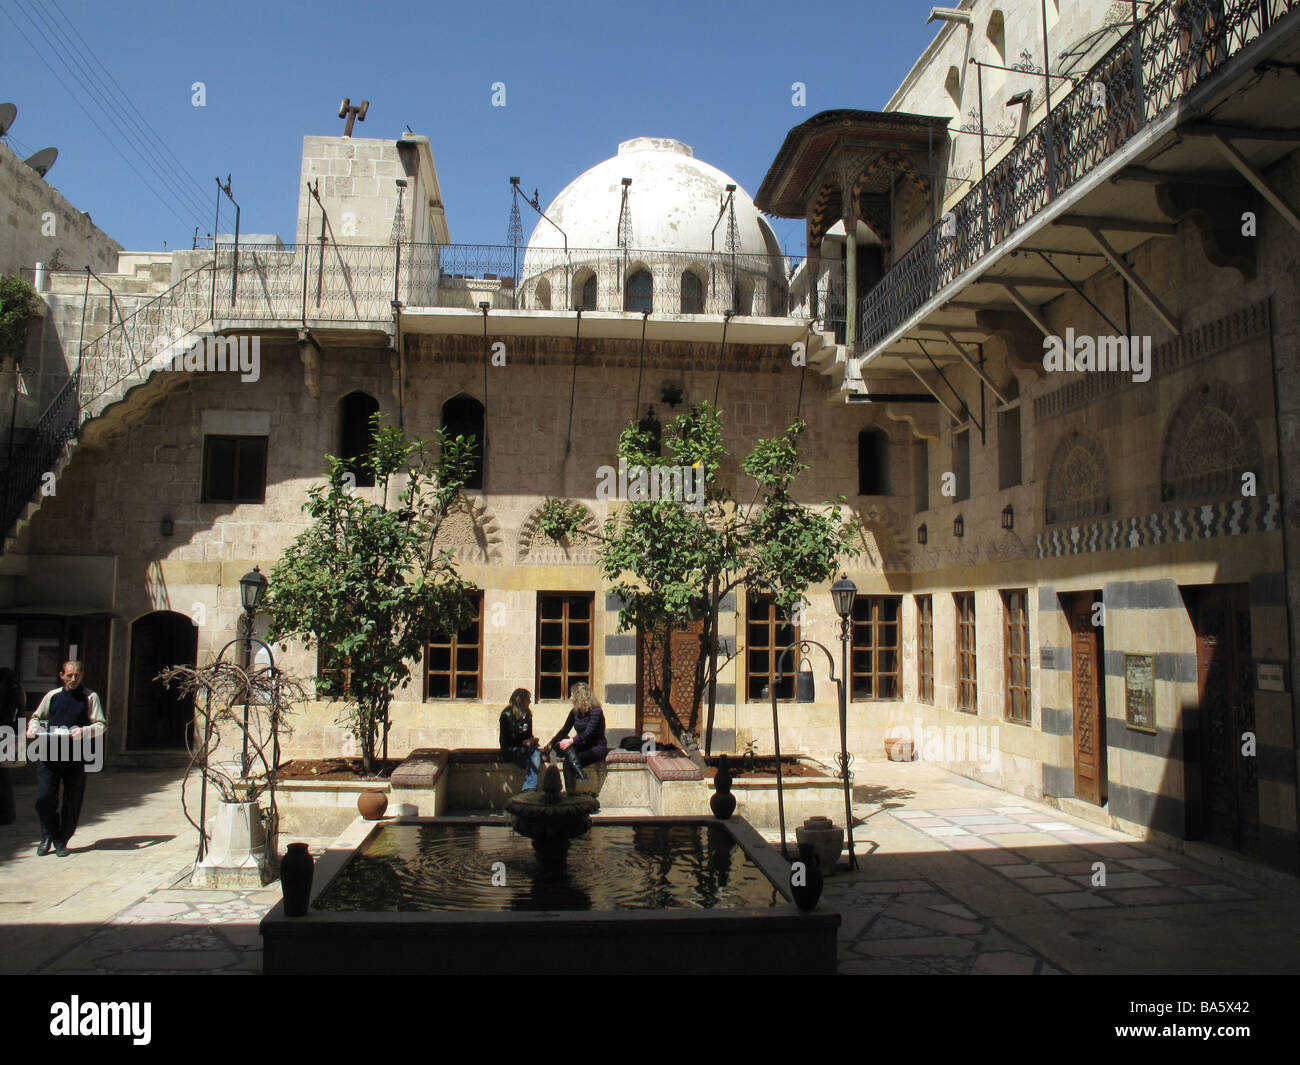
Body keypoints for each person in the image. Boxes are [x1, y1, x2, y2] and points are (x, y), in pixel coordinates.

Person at [26, 661, 105, 856]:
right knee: (44, 798)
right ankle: (48, 835)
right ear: (61, 675)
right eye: (69, 675)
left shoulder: (90, 697)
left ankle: (62, 839)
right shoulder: (52, 696)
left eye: (77, 675)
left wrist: (85, 731)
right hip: (50, 754)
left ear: (82, 676)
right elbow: (37, 716)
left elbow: (101, 724)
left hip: (76, 756)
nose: (73, 679)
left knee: (72, 800)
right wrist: (33, 727)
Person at [546, 681, 607, 794]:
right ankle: (579, 776)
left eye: (572, 695)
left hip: (595, 748)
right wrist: (551, 743)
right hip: (580, 746)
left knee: (567, 763)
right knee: (563, 743)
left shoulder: (596, 711)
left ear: (580, 697)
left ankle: (571, 793)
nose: (570, 698)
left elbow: (588, 732)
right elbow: (564, 730)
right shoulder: (574, 712)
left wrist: (571, 741)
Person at [499, 688, 542, 793]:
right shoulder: (506, 715)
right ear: (521, 700)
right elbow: (505, 740)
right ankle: (530, 788)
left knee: (536, 754)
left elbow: (528, 734)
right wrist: (522, 743)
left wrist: (532, 740)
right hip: (511, 749)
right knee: (531, 762)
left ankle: (529, 788)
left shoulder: (528, 715)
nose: (530, 701)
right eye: (528, 699)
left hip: (525, 748)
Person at [0, 667, 23, 826]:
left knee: (2, 778)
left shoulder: (10, 692)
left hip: (4, 735)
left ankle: (6, 814)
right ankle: (7, 813)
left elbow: (7, 716)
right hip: (8, 735)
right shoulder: (18, 691)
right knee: (3, 777)